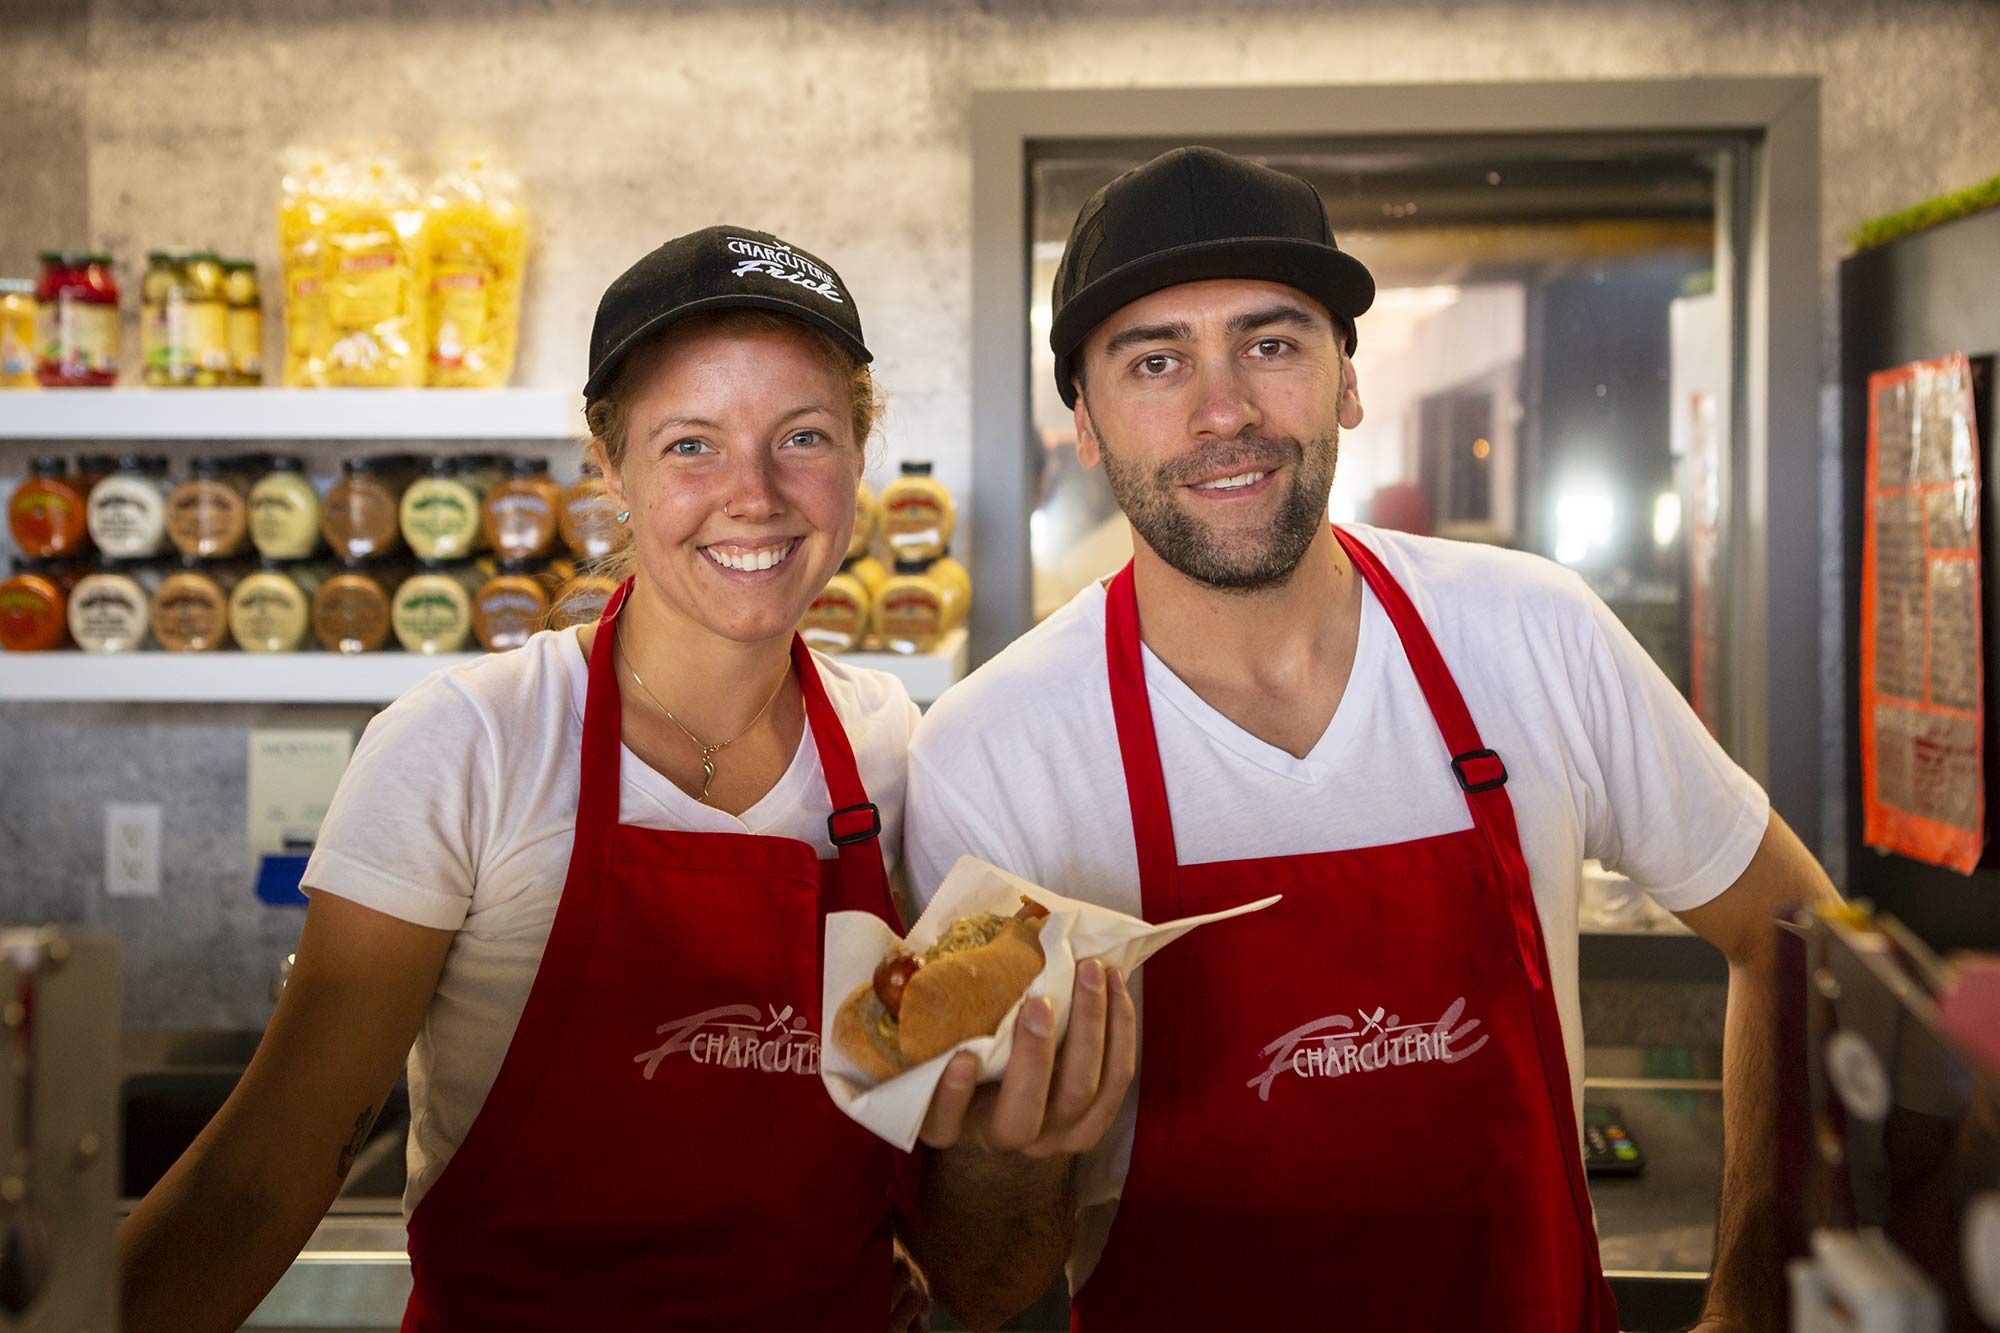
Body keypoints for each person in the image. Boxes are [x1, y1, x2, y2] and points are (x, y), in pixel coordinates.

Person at [903, 146, 1842, 1331]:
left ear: (1347, 379)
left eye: (1272, 342)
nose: (1224, 410)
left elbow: (1793, 932)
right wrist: (1011, 1152)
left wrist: (1750, 1293)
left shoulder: (1529, 634)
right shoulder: (993, 750)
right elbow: (979, 1287)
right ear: (1082, 424)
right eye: (1155, 361)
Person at [119, 226, 935, 1330]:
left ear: (856, 453)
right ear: (611, 466)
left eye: (801, 436)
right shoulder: (463, 744)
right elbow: (266, 1170)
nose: (753, 493)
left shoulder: (895, 745)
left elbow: (915, 1130)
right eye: (691, 444)